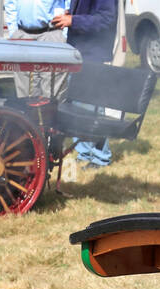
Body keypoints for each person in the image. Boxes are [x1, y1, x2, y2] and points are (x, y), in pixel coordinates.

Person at [52, 0, 116, 166]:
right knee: (77, 106)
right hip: (78, 51)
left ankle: (101, 156)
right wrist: (69, 16)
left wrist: (73, 20)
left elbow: (106, 18)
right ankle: (84, 152)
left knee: (93, 107)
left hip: (93, 54)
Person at [5, 0, 68, 101]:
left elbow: (69, 5)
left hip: (51, 33)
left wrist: (64, 34)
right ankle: (29, 114)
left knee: (51, 88)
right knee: (26, 87)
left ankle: (51, 115)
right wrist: (13, 32)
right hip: (23, 34)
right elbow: (10, 4)